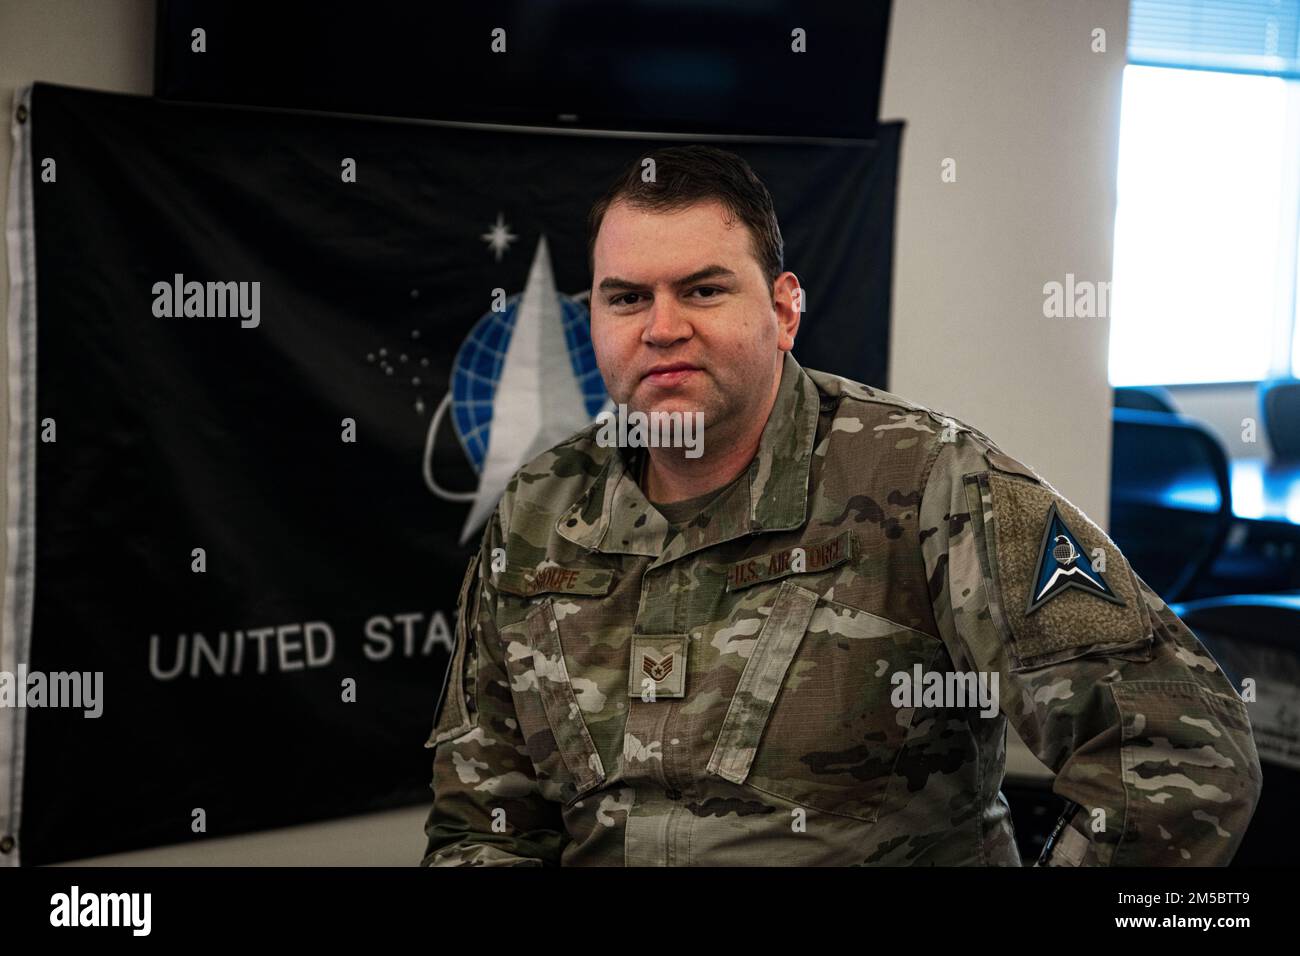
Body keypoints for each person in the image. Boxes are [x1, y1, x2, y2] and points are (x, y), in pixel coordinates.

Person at [419, 145, 1262, 866]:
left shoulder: (933, 482)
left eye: (704, 290)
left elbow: (1181, 752)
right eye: (627, 297)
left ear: (784, 310)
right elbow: (481, 821)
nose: (661, 327)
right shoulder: (537, 511)